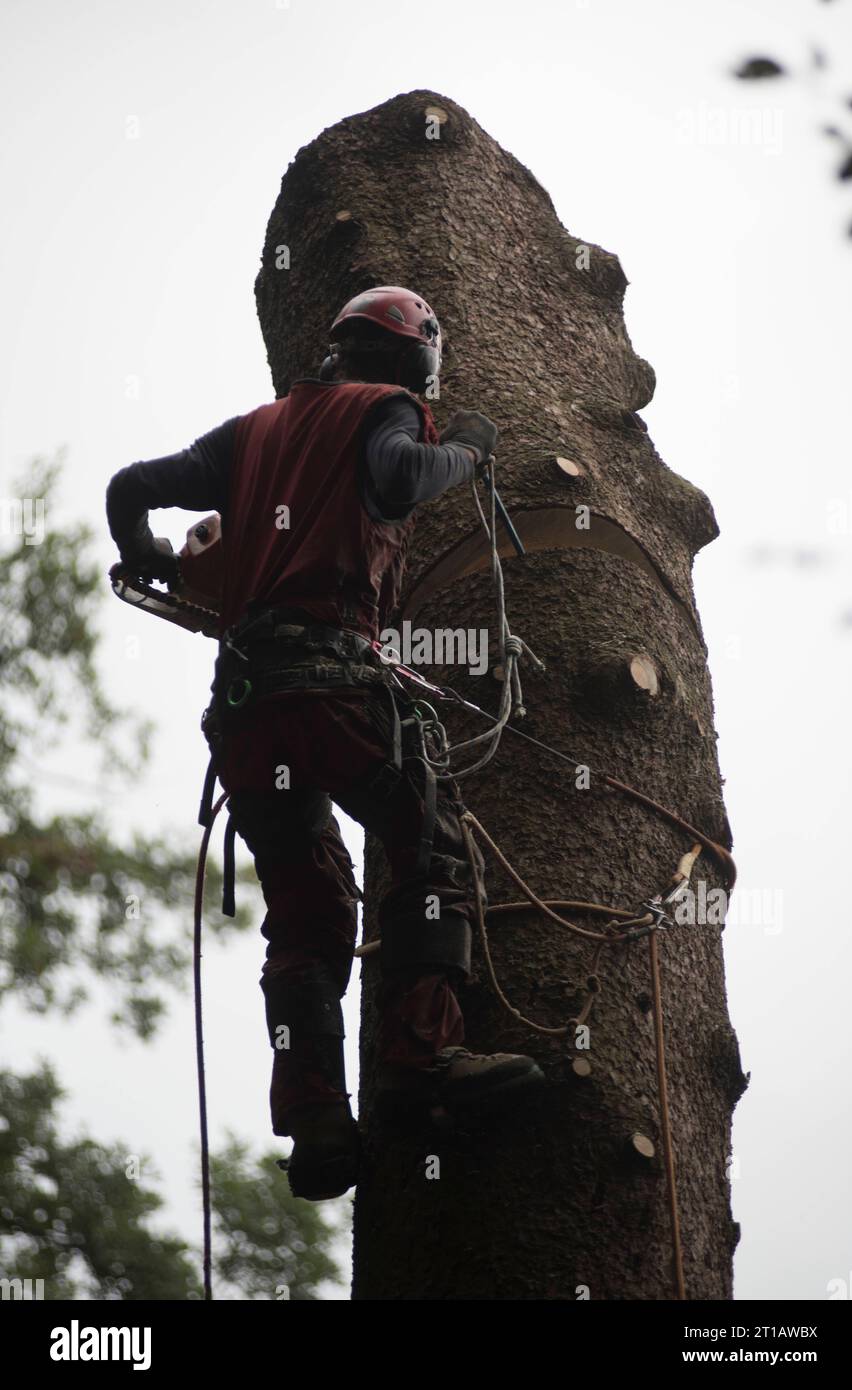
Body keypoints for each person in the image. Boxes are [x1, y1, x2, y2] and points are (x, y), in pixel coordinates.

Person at [106, 286, 543, 1201]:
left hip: (245, 708)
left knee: (307, 918)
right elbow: (394, 477)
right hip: (332, 684)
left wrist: (147, 556)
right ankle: (423, 1066)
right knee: (429, 844)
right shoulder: (386, 409)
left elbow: (131, 489)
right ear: (414, 358)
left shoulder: (252, 432)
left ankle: (315, 1123)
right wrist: (462, 450)